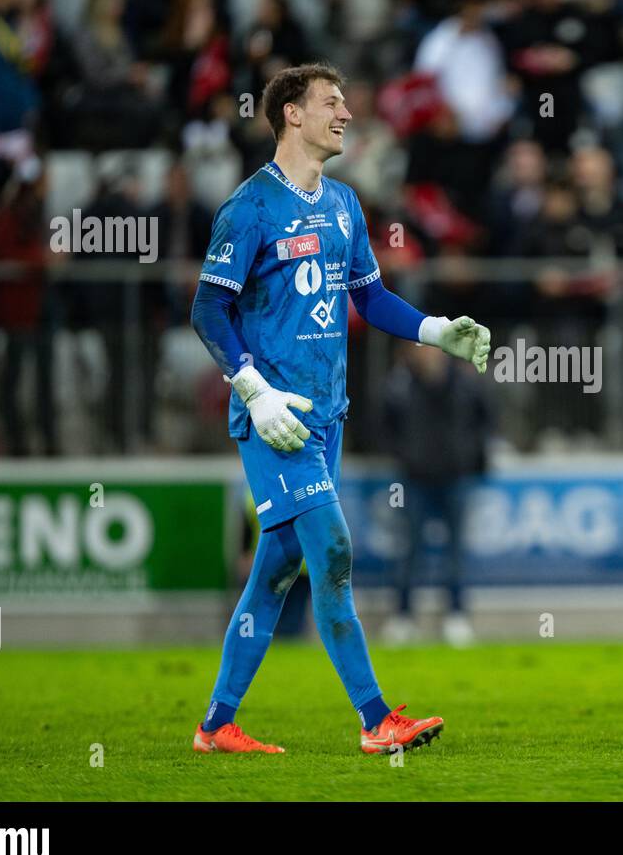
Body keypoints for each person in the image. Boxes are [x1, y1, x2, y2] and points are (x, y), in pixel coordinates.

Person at [189, 63, 492, 756]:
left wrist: (435, 329)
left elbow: (370, 299)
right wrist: (253, 389)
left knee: (276, 571)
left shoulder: (346, 205)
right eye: (331, 102)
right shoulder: (249, 208)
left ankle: (215, 726)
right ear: (291, 114)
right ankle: (375, 718)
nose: (347, 113)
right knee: (333, 549)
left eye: (347, 101)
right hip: (276, 417)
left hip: (327, 417)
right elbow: (207, 307)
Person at [381, 345, 492, 647]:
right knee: (410, 550)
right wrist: (405, 457)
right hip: (416, 478)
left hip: (456, 476)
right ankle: (403, 617)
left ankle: (457, 616)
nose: (428, 356)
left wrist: (473, 460)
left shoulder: (466, 383)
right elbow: (385, 427)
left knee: (455, 551)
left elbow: (485, 422)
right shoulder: (401, 386)